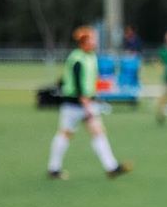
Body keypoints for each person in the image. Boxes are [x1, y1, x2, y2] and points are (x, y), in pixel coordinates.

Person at [46, 26, 131, 180]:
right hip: (75, 104)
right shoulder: (77, 58)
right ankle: (53, 168)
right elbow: (78, 85)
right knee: (66, 134)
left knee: (97, 132)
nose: (95, 41)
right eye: (92, 38)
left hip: (85, 103)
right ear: (84, 41)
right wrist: (87, 106)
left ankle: (111, 167)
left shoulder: (90, 56)